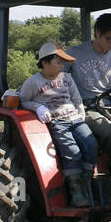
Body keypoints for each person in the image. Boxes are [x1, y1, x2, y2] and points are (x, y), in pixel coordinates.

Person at [19, 42, 98, 205]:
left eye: (62, 63)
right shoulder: (33, 82)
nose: (62, 66)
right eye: (58, 62)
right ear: (45, 63)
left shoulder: (67, 78)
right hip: (57, 121)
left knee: (91, 144)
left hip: (74, 118)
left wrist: (81, 112)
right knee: (72, 151)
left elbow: (76, 98)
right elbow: (23, 100)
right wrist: (38, 107)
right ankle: (75, 191)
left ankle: (86, 183)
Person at [67, 14, 111, 156]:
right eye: (109, 38)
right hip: (86, 107)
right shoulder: (74, 54)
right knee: (109, 130)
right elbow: (52, 76)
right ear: (97, 33)